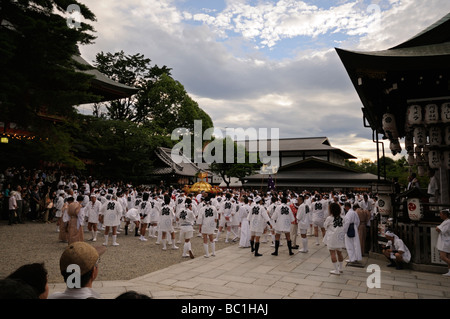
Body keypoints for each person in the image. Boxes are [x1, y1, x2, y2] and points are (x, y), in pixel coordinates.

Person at [324, 203, 346, 275]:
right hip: (339, 237)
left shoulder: (329, 218)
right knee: (339, 252)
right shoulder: (343, 217)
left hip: (332, 237)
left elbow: (325, 226)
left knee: (332, 253)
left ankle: (336, 270)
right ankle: (341, 268)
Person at [436, 209, 450, 276]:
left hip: (445, 241)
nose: (440, 215)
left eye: (441, 214)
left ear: (445, 214)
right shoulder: (446, 221)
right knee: (448, 257)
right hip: (446, 241)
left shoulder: (447, 222)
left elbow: (439, 229)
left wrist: (438, 227)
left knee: (443, 256)